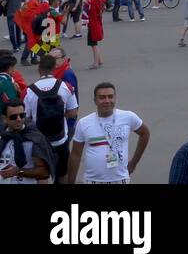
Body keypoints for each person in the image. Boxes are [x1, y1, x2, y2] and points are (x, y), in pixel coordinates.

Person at [68, 82, 150, 184]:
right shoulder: (84, 123)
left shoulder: (128, 117)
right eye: (102, 97)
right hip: (92, 181)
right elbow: (75, 155)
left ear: (115, 98)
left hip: (121, 180)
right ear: (95, 100)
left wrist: (133, 163)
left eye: (110, 97)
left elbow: (145, 133)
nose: (107, 101)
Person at [23, 54, 78, 183]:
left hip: (40, 141)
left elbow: (25, 117)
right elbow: (73, 112)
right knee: (62, 173)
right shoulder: (65, 87)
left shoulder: (29, 91)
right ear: (54, 68)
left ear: (39, 69)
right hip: (61, 139)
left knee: (42, 175)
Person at [0, 97, 55, 184]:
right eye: (13, 117)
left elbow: (43, 172)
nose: (18, 119)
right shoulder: (2, 137)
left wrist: (18, 172)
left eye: (22, 115)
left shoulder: (34, 139)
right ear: (4, 119)